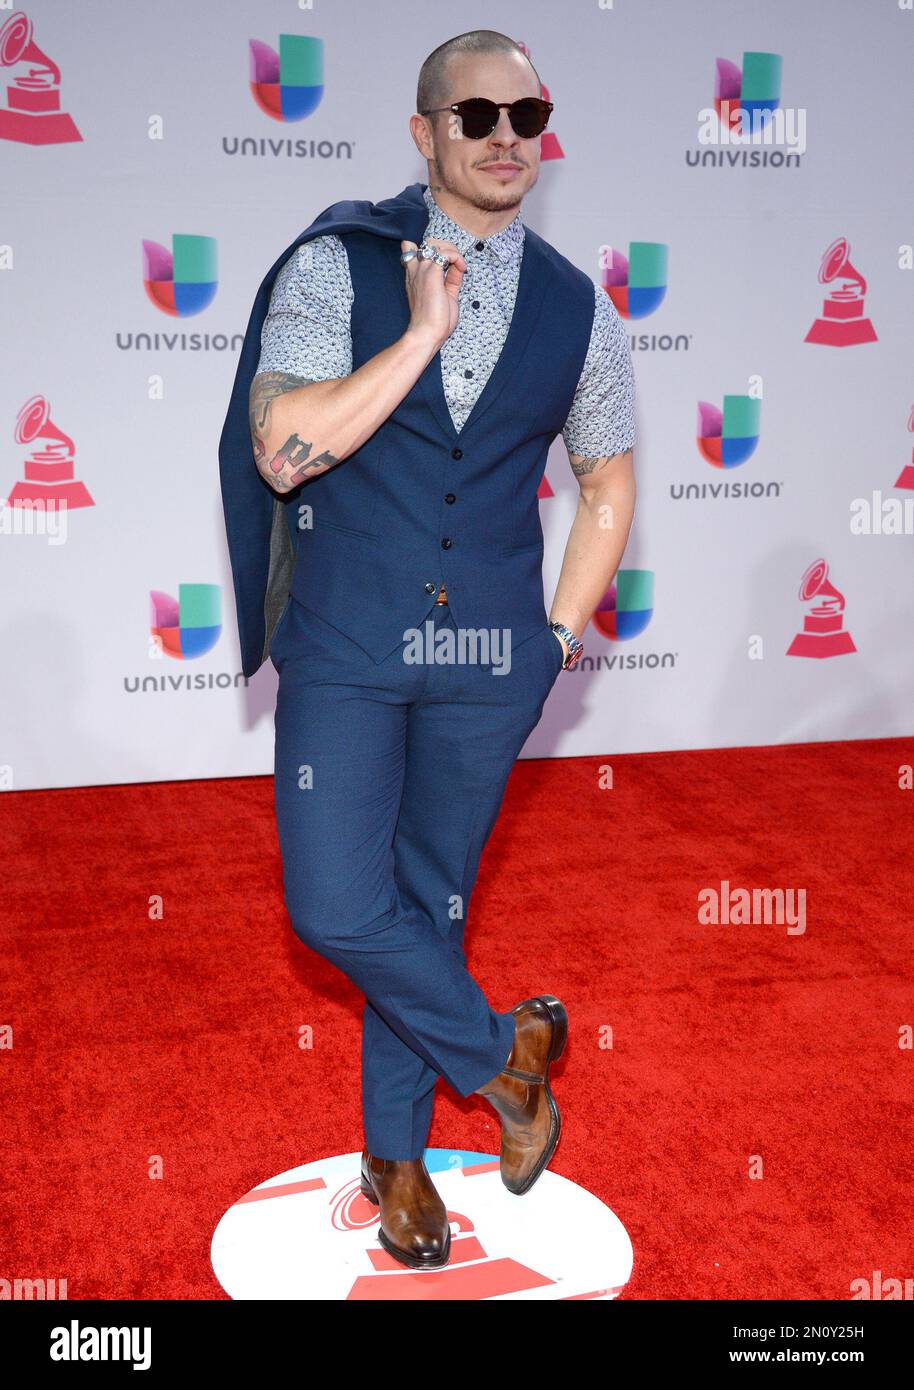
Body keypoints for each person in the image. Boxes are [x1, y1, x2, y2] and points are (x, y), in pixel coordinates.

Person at [218, 29, 636, 1270]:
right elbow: (279, 446)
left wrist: (555, 635)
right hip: (348, 643)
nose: (506, 136)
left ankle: (396, 1160)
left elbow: (605, 482)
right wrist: (412, 338)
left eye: (528, 113)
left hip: (489, 664)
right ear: (425, 134)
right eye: (478, 115)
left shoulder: (577, 306)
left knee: (431, 906)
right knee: (335, 903)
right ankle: (507, 1057)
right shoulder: (334, 261)